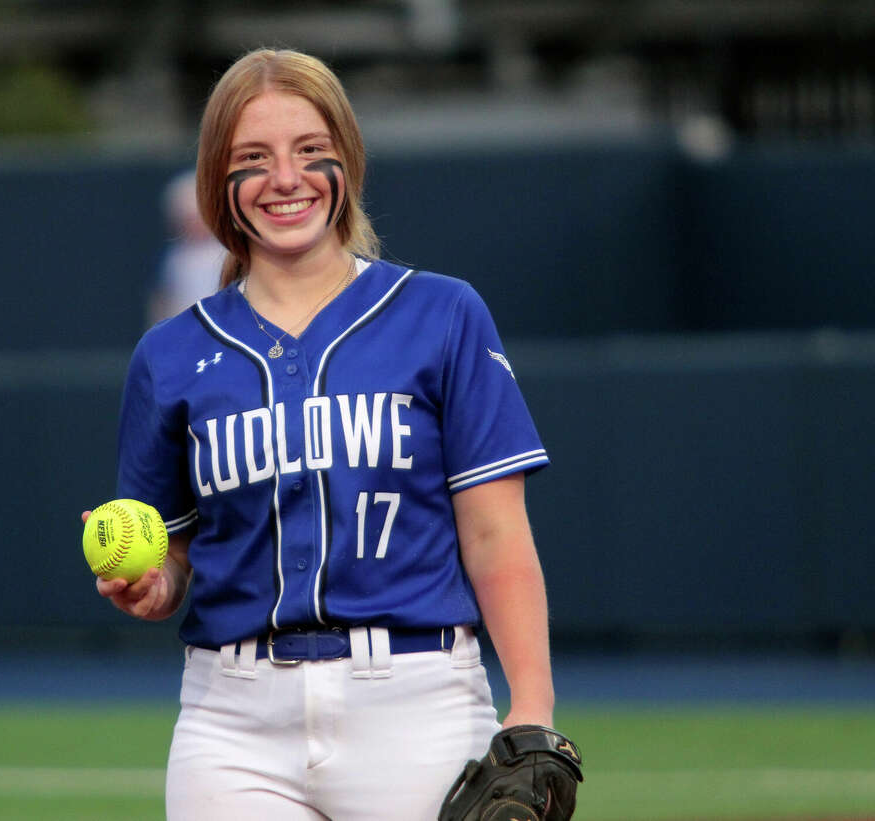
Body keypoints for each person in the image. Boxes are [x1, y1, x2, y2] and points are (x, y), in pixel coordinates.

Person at [85, 48, 575, 820]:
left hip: (417, 704)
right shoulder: (170, 354)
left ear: (347, 161)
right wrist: (154, 586)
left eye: (311, 150)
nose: (286, 178)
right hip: (231, 719)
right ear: (217, 181)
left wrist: (532, 708)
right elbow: (175, 555)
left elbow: (496, 534)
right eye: (253, 158)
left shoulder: (442, 315)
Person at [147, 169, 226, 325]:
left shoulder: (230, 254)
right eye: (188, 219)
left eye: (197, 218)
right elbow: (162, 300)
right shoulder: (174, 259)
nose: (194, 225)